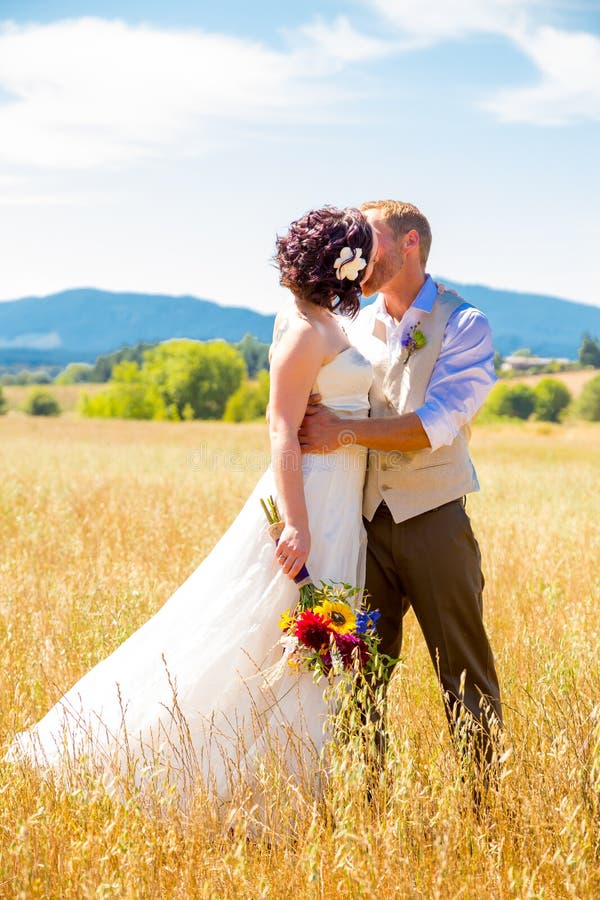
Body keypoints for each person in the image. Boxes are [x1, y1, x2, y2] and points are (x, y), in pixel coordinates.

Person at [6, 206, 378, 808]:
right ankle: (195, 769)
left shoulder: (324, 321)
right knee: (258, 631)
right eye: (360, 256)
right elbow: (281, 430)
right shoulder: (305, 331)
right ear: (346, 262)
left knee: (297, 644)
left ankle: (284, 786)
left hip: (340, 501)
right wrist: (297, 526)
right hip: (310, 499)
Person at [299, 200, 503, 774]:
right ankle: (368, 808)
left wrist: (341, 433)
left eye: (373, 239)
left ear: (410, 242)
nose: (360, 252)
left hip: (435, 518)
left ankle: (486, 808)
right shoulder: (356, 325)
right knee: (359, 675)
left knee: (463, 674)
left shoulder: (465, 323)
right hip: (361, 524)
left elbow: (434, 426)